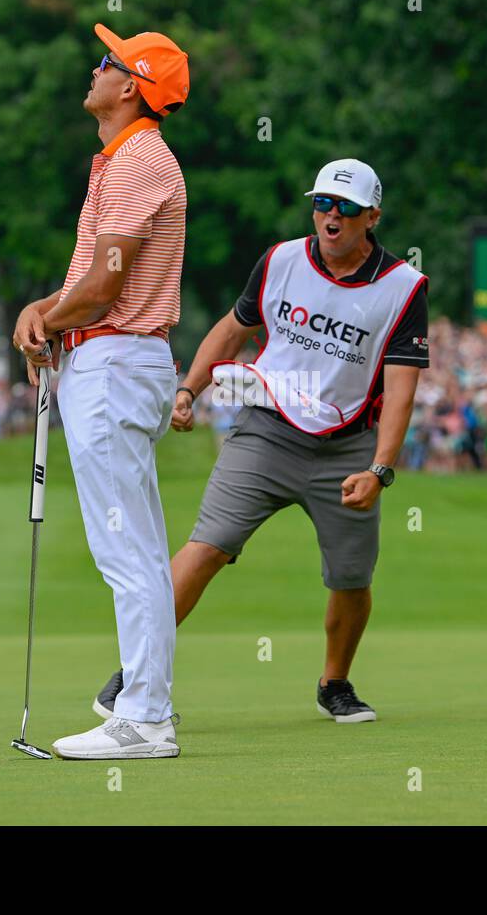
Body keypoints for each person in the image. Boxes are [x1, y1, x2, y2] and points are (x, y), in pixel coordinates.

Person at [93, 158, 429, 723]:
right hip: (265, 431)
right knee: (208, 546)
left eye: (346, 208)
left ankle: (334, 683)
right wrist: (188, 389)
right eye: (323, 203)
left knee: (351, 577)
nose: (331, 216)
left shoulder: (403, 286)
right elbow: (233, 328)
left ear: (371, 216)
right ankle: (134, 675)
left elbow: (401, 388)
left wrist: (381, 469)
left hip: (347, 446)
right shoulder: (281, 260)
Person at [10, 24, 190, 759]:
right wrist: (45, 311)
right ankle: (146, 711)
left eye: (110, 62)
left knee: (127, 551)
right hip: (108, 361)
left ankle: (145, 718)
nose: (95, 67)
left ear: (131, 87)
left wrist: (47, 315)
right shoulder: (119, 160)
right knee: (136, 549)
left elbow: (108, 286)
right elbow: (90, 279)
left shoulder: (142, 159)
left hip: (115, 365)